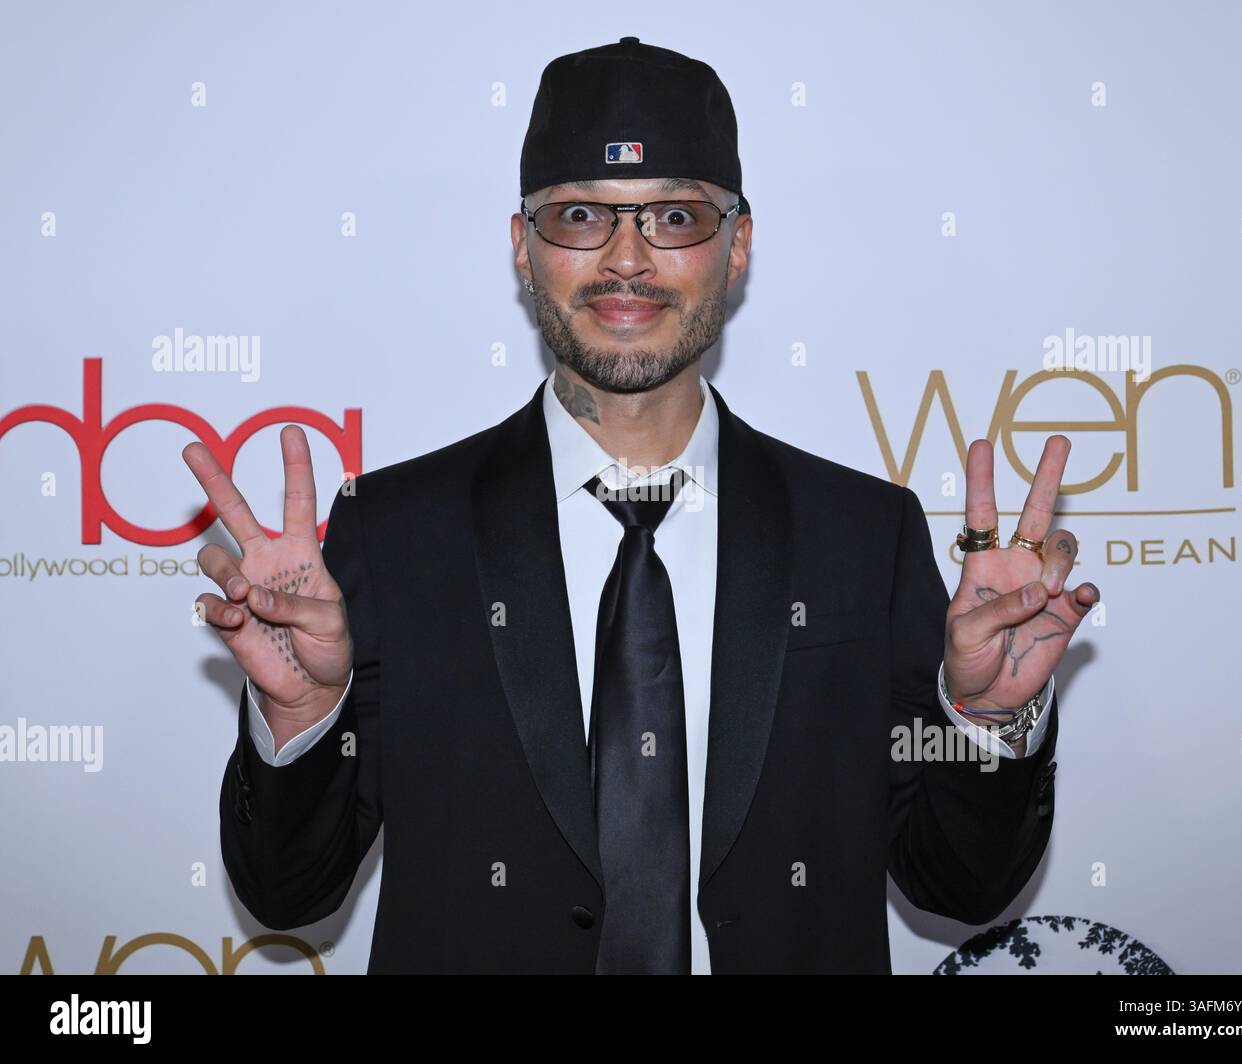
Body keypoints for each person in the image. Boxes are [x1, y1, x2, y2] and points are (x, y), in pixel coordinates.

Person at [183, 37, 1099, 974]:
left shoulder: (863, 536)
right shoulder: (396, 533)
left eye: (674, 217)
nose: (628, 259)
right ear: (522, 248)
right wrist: (302, 720)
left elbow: (961, 887)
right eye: (581, 214)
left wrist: (986, 727)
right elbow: (288, 891)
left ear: (738, 246)